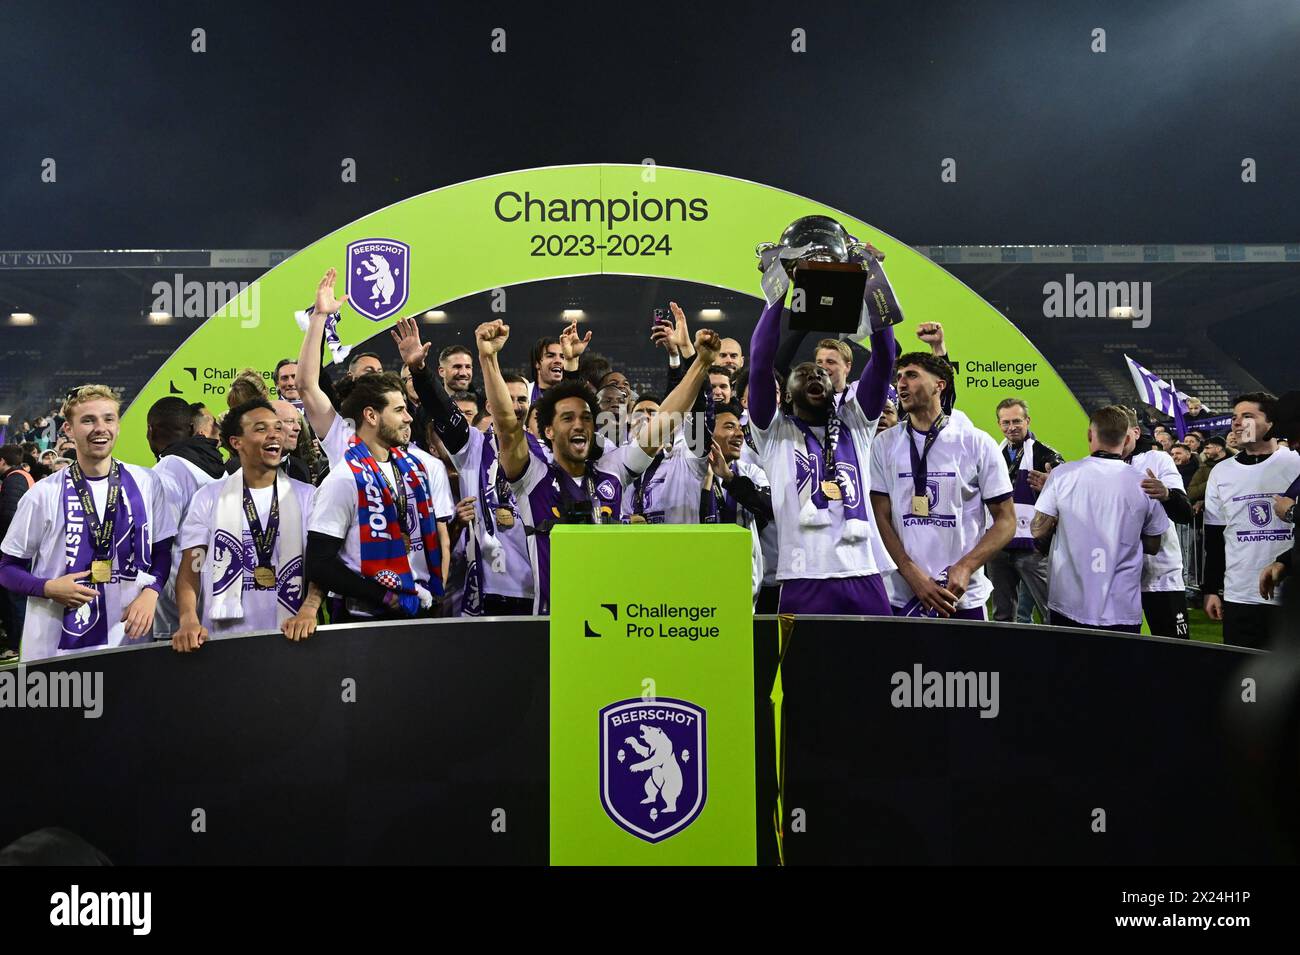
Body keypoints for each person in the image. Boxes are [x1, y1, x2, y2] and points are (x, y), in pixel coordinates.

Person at [479, 318, 721, 614]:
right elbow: (506, 426)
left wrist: (701, 363)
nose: (579, 424)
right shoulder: (533, 478)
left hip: (610, 626)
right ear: (549, 431)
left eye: (586, 418)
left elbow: (666, 421)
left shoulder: (613, 469)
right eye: (567, 418)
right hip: (551, 626)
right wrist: (488, 357)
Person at [749, 286, 898, 615]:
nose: (815, 374)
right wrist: (776, 294)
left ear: (834, 389)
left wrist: (874, 284)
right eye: (803, 374)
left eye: (821, 373)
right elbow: (760, 364)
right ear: (786, 396)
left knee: (879, 665)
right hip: (803, 578)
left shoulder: (857, 424)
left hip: (863, 573)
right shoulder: (773, 434)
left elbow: (885, 356)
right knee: (805, 668)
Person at [0, 385, 176, 661]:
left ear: (118, 426)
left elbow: (162, 551)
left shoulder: (148, 482)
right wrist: (47, 588)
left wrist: (152, 592)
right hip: (55, 648)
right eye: (88, 420)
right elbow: (7, 569)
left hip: (128, 640)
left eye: (108, 419)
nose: (100, 428)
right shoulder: (43, 494)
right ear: (68, 430)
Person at [871, 354, 1016, 619]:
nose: (901, 383)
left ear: (940, 385)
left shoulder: (976, 443)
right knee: (905, 663)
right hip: (904, 595)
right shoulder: (884, 445)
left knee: (965, 663)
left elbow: (1006, 520)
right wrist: (909, 572)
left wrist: (967, 566)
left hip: (962, 596)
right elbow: (880, 516)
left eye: (912, 375)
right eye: (899, 376)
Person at [171, 399, 322, 651]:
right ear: (236, 442)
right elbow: (191, 569)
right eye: (261, 428)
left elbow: (321, 564)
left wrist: (309, 608)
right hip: (224, 640)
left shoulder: (308, 497)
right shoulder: (208, 498)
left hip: (291, 635)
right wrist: (188, 620)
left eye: (277, 427)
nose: (274, 434)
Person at [306, 372, 448, 620]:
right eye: (399, 410)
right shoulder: (344, 479)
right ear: (371, 415)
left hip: (418, 607)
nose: (409, 417)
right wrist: (383, 596)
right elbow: (320, 564)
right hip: (365, 616)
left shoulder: (415, 470)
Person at [1031, 406, 1168, 633]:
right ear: (1126, 439)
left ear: (1089, 435)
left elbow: (1038, 531)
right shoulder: (1145, 483)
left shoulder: (1062, 475)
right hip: (1122, 607)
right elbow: (1153, 545)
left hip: (1068, 603)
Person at [1203, 393, 1300, 648]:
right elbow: (1214, 538)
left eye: (1248, 416)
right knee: (1241, 676)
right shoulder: (1220, 472)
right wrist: (1211, 589)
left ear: (1270, 423)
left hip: (1290, 595)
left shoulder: (1296, 461)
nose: (1237, 423)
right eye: (1234, 417)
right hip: (1241, 594)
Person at [148, 395, 226, 639]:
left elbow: (160, 540)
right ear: (193, 429)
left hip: (176, 611)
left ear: (151, 431)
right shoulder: (220, 468)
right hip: (215, 594)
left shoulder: (168, 469)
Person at [983, 398, 1063, 623]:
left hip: (1032, 547)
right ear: (999, 424)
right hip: (999, 544)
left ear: (1027, 421)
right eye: (1006, 422)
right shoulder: (992, 454)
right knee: (1002, 613)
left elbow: (1068, 489)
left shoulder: (1045, 454)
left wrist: (1052, 482)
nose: (1011, 427)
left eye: (1017, 421)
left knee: (1050, 609)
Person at [1124, 411, 1195, 638]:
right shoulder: (1101, 465)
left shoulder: (1157, 459)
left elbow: (1185, 513)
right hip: (1119, 575)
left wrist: (1166, 494)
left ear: (1136, 432)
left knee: (1175, 651)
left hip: (1161, 574)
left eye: (1121, 434)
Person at [0, 445, 34, 660]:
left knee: (16, 599)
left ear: (2, 461)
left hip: (16, 552)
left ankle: (17, 645)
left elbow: (10, 516)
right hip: (18, 549)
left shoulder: (15, 479)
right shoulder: (21, 477)